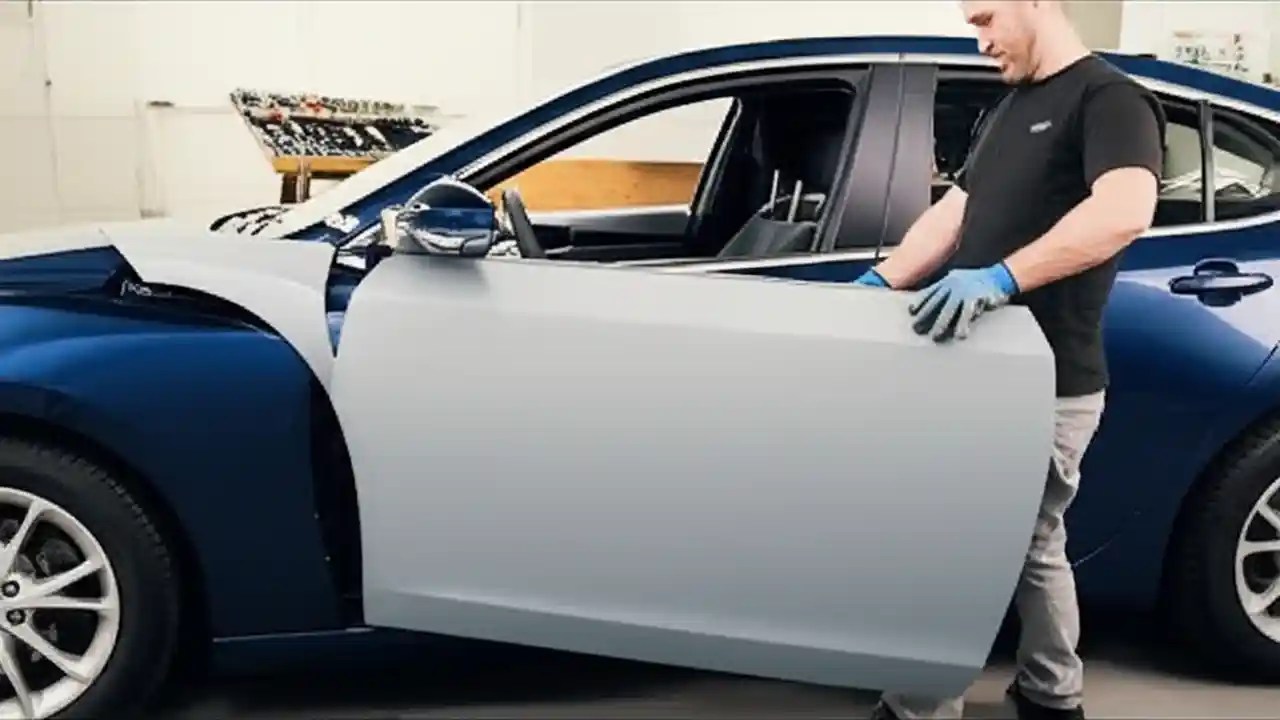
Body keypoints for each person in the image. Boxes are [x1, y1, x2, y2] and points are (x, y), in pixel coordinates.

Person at [855, 1, 1166, 719]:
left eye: (987, 18)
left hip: (1046, 383)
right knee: (1030, 541)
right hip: (980, 374)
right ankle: (1052, 695)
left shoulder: (1110, 98)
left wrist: (1002, 277)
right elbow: (956, 214)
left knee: (966, 539)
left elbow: (1125, 209)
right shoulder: (1010, 110)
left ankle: (919, 704)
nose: (981, 38)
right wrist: (882, 281)